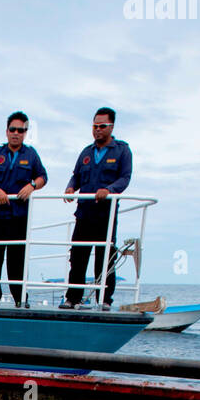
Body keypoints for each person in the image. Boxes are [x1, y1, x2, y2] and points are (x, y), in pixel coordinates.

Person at [61, 108, 133, 309]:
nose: (98, 130)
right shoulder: (86, 152)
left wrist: (108, 190)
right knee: (78, 255)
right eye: (95, 126)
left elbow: (125, 178)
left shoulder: (122, 151)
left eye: (102, 126)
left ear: (111, 127)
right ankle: (72, 298)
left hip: (105, 213)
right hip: (84, 212)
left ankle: (104, 300)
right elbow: (76, 175)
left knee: (105, 256)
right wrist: (70, 187)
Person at [0, 112, 47, 307]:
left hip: (18, 216)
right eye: (12, 129)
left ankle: (19, 297)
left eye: (21, 130)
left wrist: (32, 185)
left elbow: (43, 176)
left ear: (25, 132)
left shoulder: (31, 154)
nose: (16, 133)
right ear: (7, 131)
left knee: (17, 259)